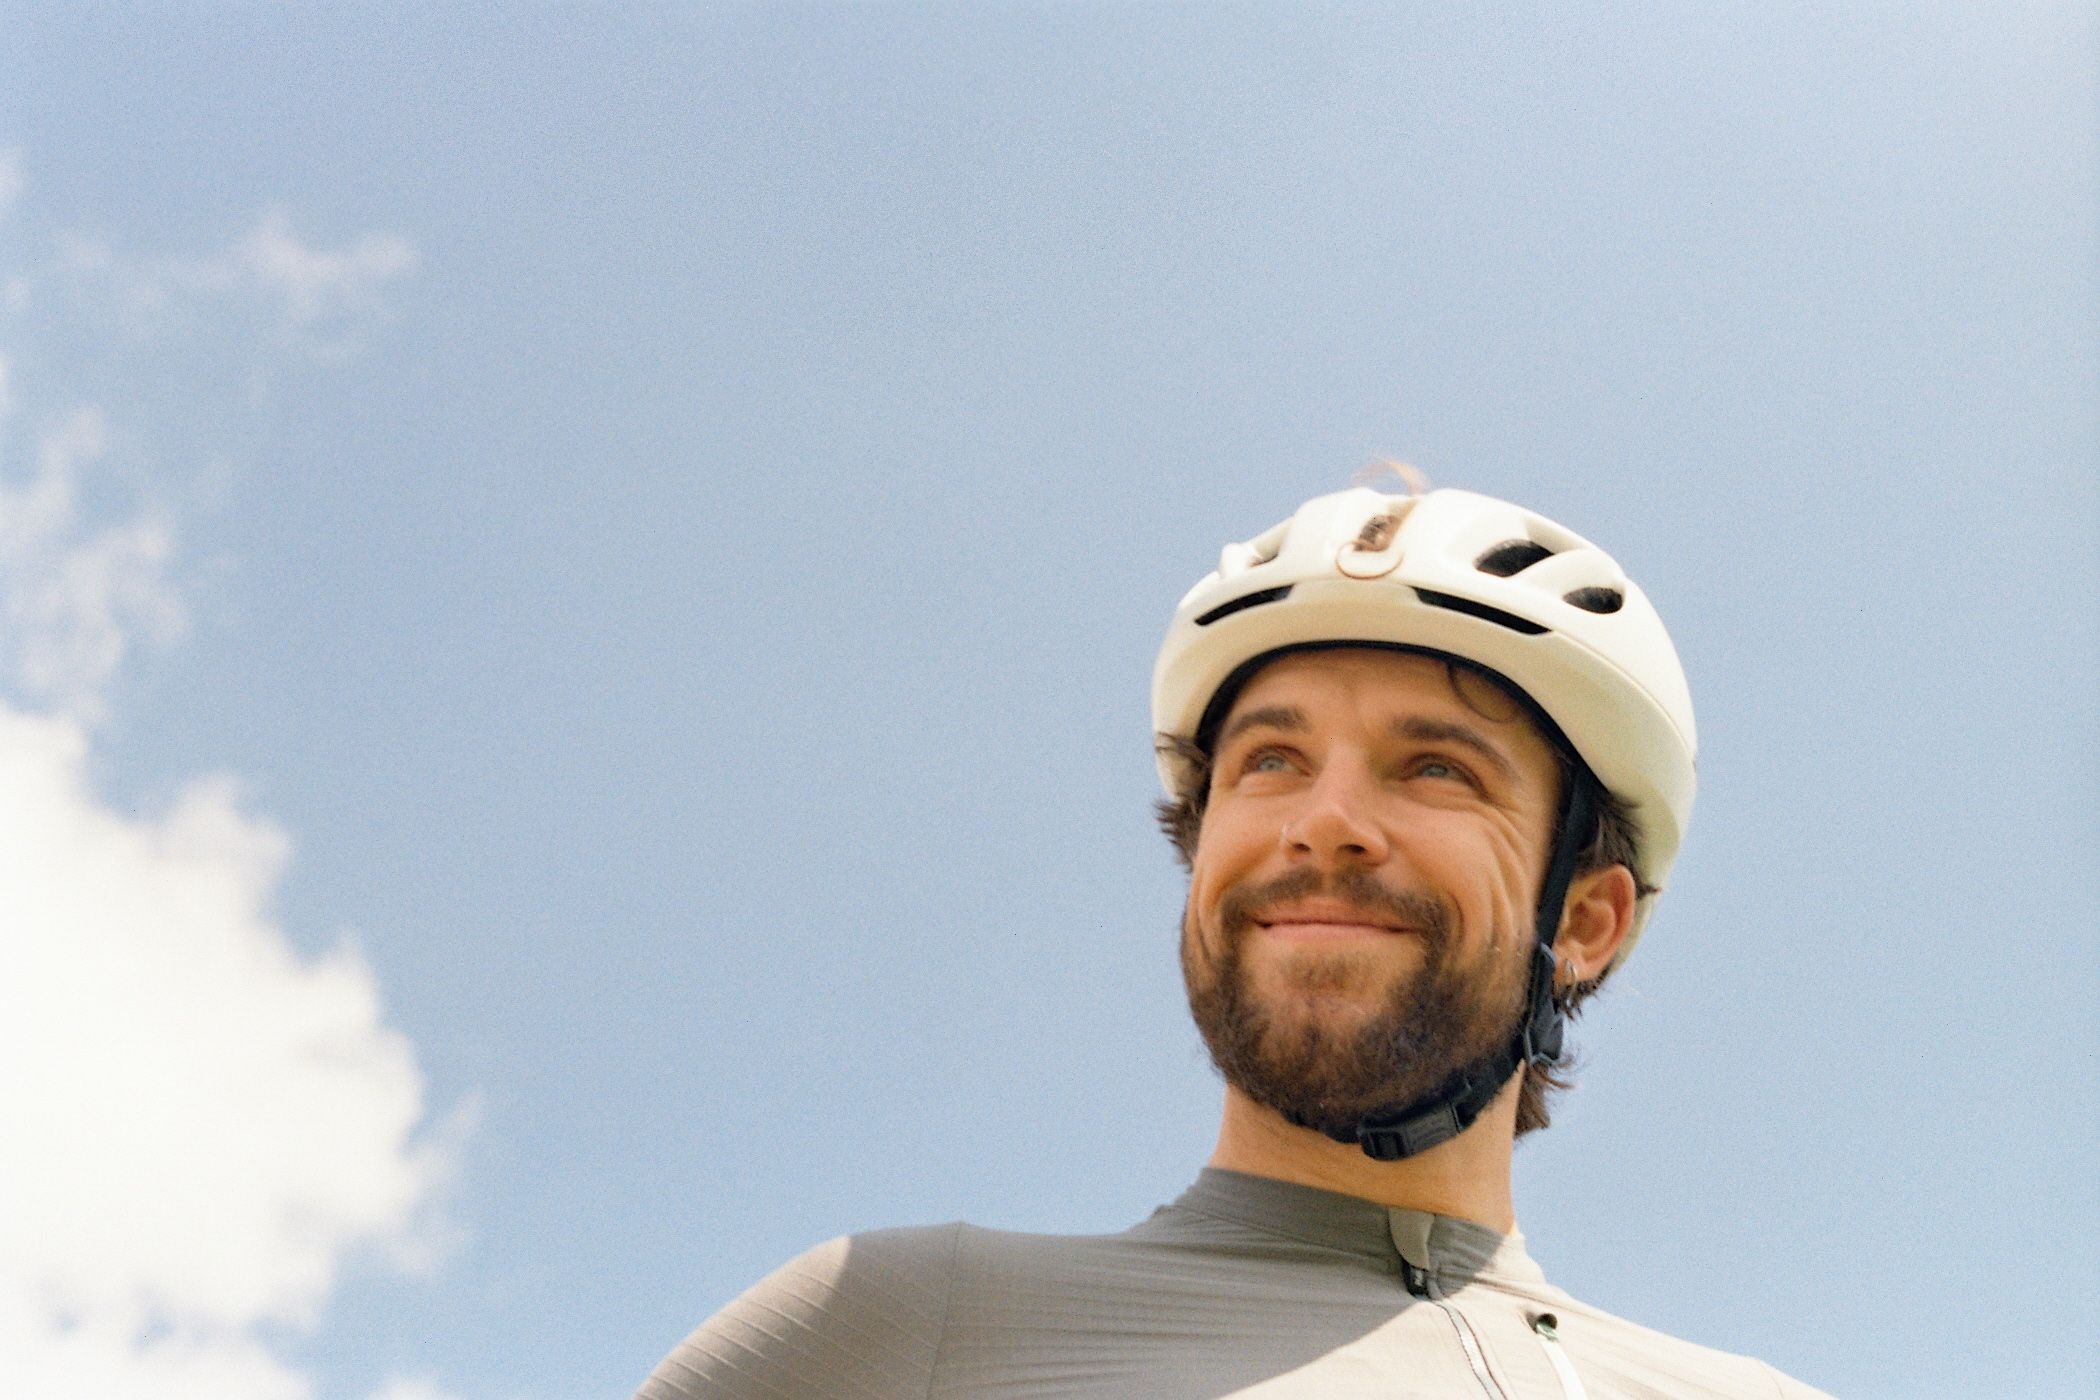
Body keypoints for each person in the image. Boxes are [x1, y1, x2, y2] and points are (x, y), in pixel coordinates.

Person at [637, 483, 1835, 1399]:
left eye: (1435, 764)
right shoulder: (897, 1332)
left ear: (1584, 919)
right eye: (1271, 758)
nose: (1325, 819)